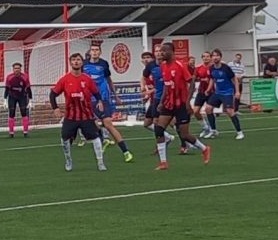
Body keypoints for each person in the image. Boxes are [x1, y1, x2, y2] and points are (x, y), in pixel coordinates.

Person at [148, 41, 210, 169]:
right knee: (159, 129)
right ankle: (163, 162)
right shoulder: (163, 66)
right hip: (168, 103)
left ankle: (204, 148)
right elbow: (167, 85)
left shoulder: (180, 65)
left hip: (181, 104)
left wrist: (188, 102)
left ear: (171, 52)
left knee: (184, 135)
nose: (161, 53)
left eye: (163, 51)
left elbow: (191, 82)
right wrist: (161, 102)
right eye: (160, 51)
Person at [79, 41, 135, 162]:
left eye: (97, 50)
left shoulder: (104, 64)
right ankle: (103, 139)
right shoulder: (84, 64)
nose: (94, 52)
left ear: (100, 52)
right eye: (93, 50)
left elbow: (109, 79)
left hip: (103, 98)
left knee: (108, 124)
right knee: (92, 123)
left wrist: (116, 95)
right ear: (90, 52)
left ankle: (126, 152)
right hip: (89, 99)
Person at [50, 58, 108, 171]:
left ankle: (100, 162)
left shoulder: (87, 79)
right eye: (73, 60)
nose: (76, 62)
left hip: (86, 115)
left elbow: (96, 93)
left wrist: (100, 101)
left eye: (78, 60)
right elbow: (53, 94)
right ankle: (68, 160)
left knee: (95, 138)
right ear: (70, 63)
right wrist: (55, 108)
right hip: (70, 116)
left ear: (82, 63)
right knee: (64, 139)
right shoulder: (65, 79)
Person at [203, 49, 244, 139]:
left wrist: (237, 92)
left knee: (230, 111)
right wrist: (208, 89)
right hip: (217, 92)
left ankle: (239, 132)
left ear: (220, 57)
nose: (215, 57)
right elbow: (212, 79)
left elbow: (234, 79)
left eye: (217, 55)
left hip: (227, 92)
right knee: (208, 109)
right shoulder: (211, 68)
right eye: (213, 56)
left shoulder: (226, 68)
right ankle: (213, 130)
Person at [2, 58, 33, 138]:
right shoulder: (9, 77)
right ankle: (11, 133)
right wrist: (5, 100)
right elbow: (7, 89)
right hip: (12, 97)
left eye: (18, 68)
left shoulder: (25, 77)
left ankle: (25, 132)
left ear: (20, 69)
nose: (17, 70)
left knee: (24, 113)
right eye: (15, 68)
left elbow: (29, 89)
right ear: (13, 69)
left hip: (22, 97)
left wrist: (30, 100)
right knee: (11, 114)